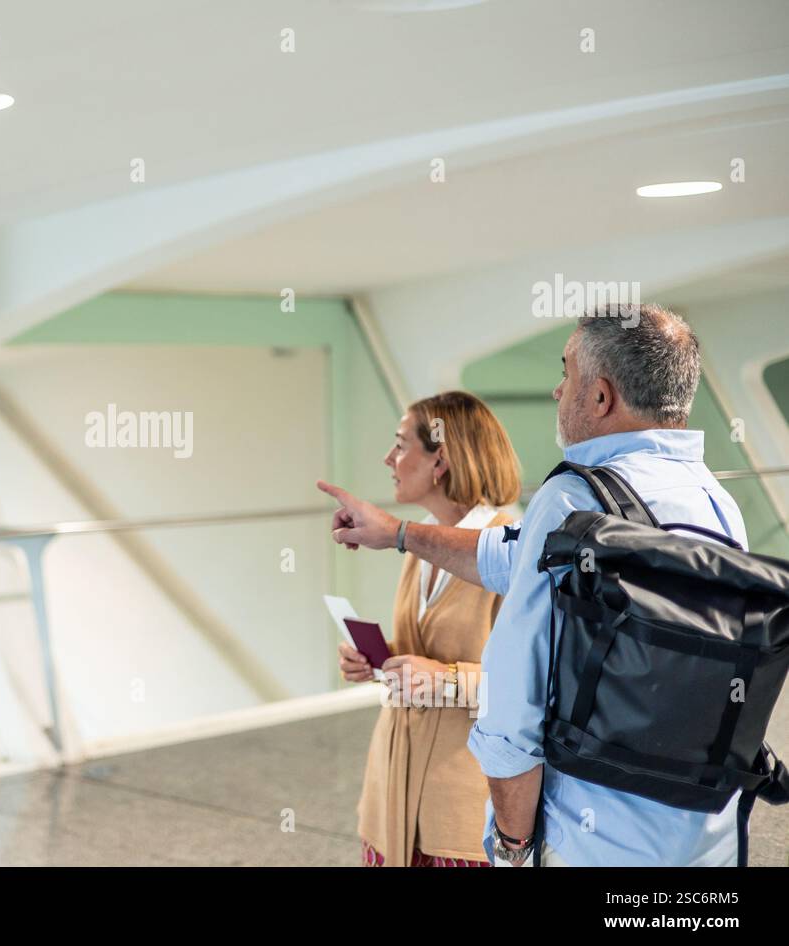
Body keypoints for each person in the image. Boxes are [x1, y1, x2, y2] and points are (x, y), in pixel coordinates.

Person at [319, 304, 747, 866]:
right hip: (701, 829)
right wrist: (399, 533)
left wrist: (514, 845)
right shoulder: (717, 503)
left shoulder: (574, 500)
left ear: (599, 397)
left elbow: (514, 701)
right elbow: (509, 556)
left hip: (594, 834)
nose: (556, 391)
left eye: (566, 371)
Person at [336, 391, 520, 866]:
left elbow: (536, 687)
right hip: (391, 796)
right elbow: (430, 649)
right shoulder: (421, 542)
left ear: (441, 460)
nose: (388, 458)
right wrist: (381, 657)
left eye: (400, 445)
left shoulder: (508, 551)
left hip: (459, 808)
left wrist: (444, 680)